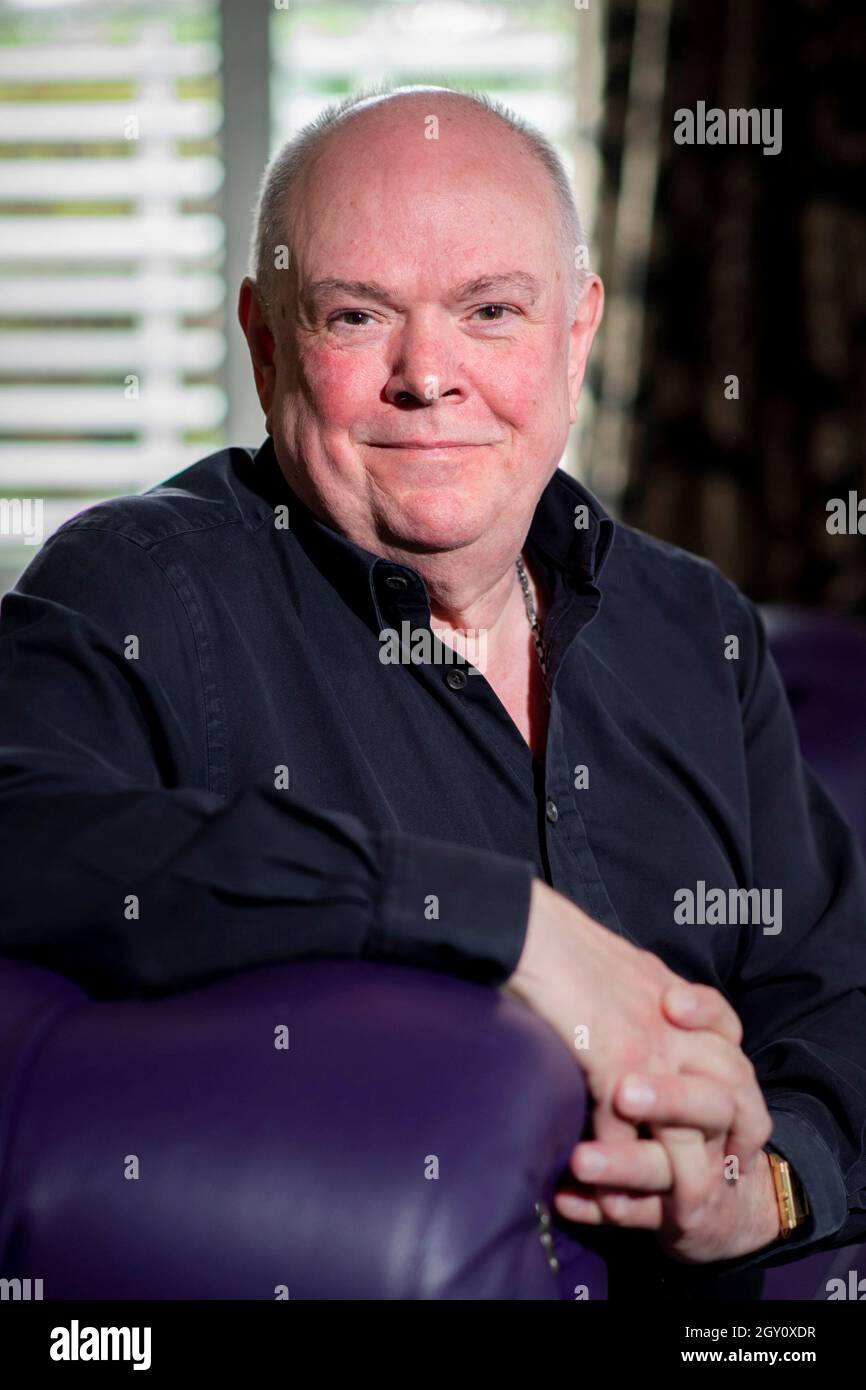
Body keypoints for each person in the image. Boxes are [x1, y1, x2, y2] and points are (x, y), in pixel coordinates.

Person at [1, 84, 864, 1299]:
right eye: (355, 316)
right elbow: (22, 831)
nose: (427, 376)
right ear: (262, 341)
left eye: (490, 312)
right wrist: (499, 922)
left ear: (577, 333)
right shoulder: (140, 587)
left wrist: (763, 1185)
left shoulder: (692, 625)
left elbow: (835, 988)